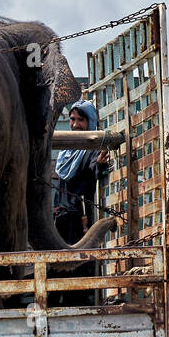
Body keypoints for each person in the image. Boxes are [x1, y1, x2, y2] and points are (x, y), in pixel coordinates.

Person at [53, 100, 108, 243]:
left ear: (90, 121)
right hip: (60, 219)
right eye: (72, 119)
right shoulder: (66, 151)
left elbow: (95, 166)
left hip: (81, 221)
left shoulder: (92, 150)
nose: (75, 125)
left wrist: (100, 163)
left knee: (81, 261)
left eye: (81, 120)